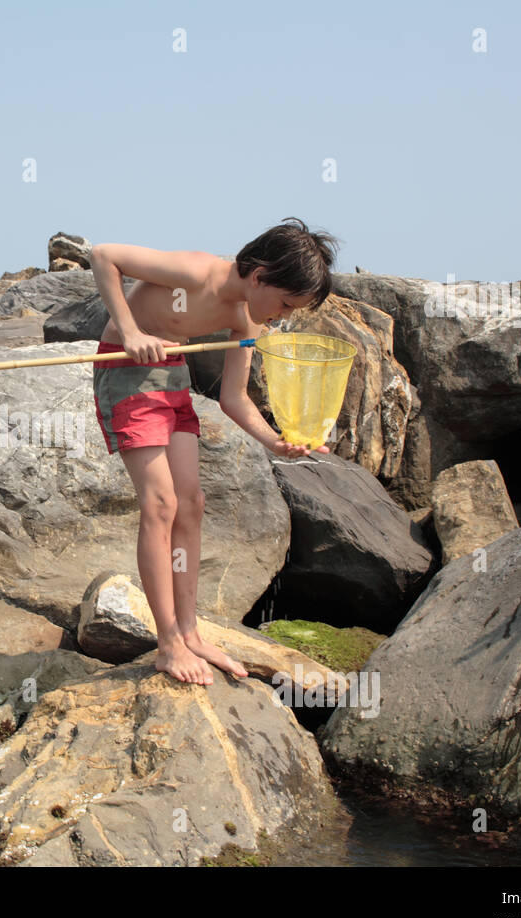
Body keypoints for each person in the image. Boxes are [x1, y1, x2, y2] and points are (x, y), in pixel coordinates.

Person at [89, 217, 340, 685]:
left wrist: (275, 442)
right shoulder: (196, 273)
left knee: (192, 505)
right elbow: (104, 255)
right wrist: (128, 331)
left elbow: (234, 398)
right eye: (285, 303)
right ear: (261, 274)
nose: (282, 317)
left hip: (172, 374)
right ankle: (167, 643)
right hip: (125, 369)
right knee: (160, 504)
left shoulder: (245, 316)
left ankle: (190, 630)